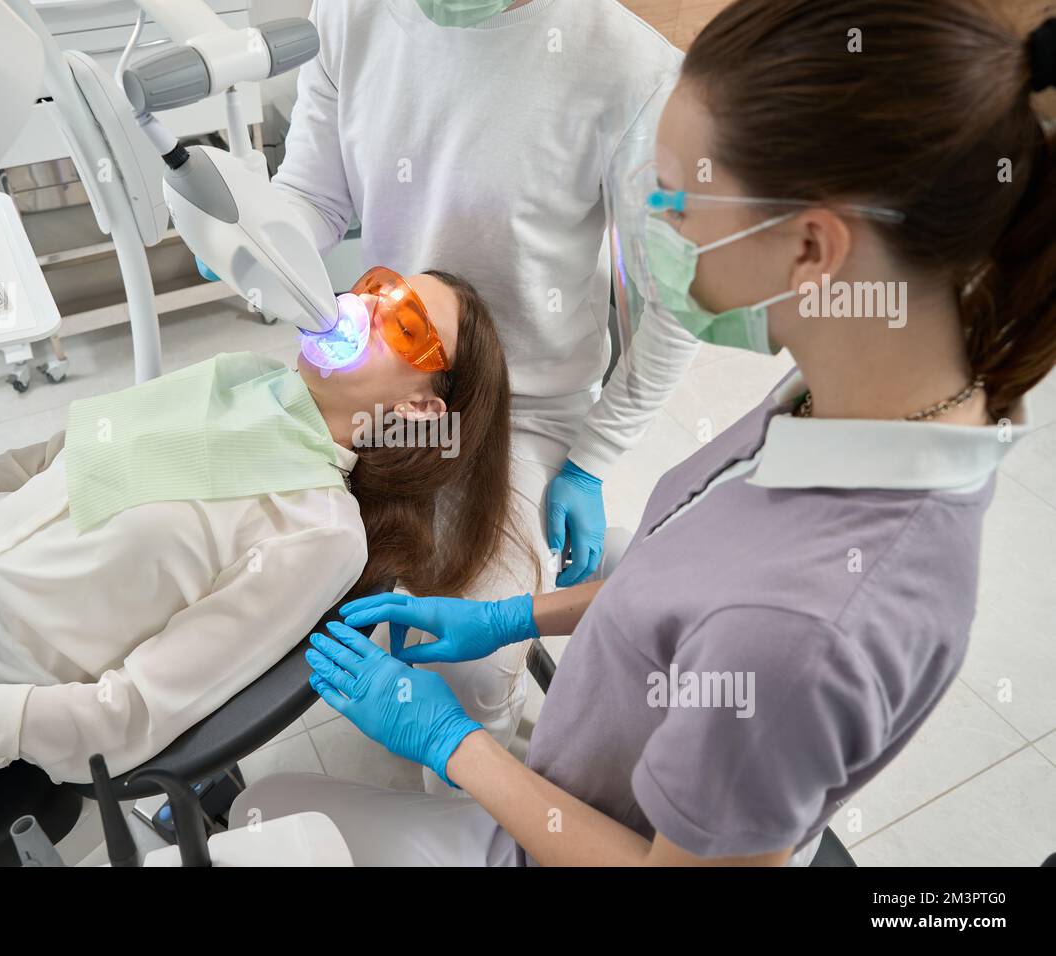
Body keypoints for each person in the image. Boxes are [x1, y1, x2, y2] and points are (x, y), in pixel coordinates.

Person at [229, 0, 1056, 865]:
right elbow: (681, 590)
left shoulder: (806, 634)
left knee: (262, 820)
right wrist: (514, 617)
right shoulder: (848, 388)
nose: (650, 223)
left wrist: (451, 744)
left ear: (811, 250)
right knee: (275, 806)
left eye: (679, 197)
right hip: (579, 777)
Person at [0, 270, 513, 865]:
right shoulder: (237, 377)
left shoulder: (315, 531)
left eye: (404, 323)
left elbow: (120, 721)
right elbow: (52, 458)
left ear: (418, 409)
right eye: (375, 286)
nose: (361, 306)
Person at [254, 0, 702, 789]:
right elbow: (315, 197)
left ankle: (472, 802)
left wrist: (593, 458)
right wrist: (255, 239)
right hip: (387, 383)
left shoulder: (626, 68)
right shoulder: (351, 16)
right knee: (244, 539)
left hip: (522, 410)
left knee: (467, 659)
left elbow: (683, 302)